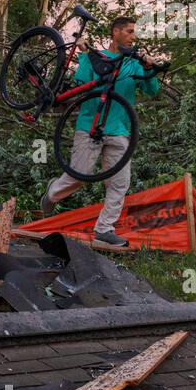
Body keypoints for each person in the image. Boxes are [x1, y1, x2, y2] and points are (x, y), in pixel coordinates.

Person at [40, 15, 162, 248]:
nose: (133, 36)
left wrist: (149, 68)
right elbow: (82, 81)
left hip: (119, 130)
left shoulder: (134, 63)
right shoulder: (96, 57)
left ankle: (105, 228)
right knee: (79, 175)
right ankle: (52, 194)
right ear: (115, 32)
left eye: (134, 32)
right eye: (129, 31)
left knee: (120, 182)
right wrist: (85, 55)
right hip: (90, 126)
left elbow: (151, 89)